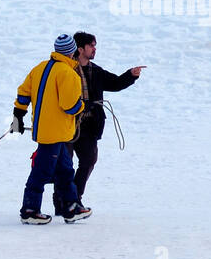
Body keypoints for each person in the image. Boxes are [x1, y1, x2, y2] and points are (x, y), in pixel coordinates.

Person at [51, 32, 145, 215]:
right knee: (65, 166)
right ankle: (62, 201)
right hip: (67, 125)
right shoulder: (64, 71)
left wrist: (131, 75)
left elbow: (116, 83)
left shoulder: (96, 71)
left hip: (89, 127)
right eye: (91, 45)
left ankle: (75, 198)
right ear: (80, 49)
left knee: (88, 160)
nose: (95, 49)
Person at [10, 34, 91, 225]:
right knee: (41, 173)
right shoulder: (68, 74)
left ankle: (71, 207)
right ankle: (29, 210)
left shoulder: (40, 68)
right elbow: (69, 106)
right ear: (72, 51)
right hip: (54, 134)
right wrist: (82, 106)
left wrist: (17, 117)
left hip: (48, 132)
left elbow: (23, 93)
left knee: (65, 170)